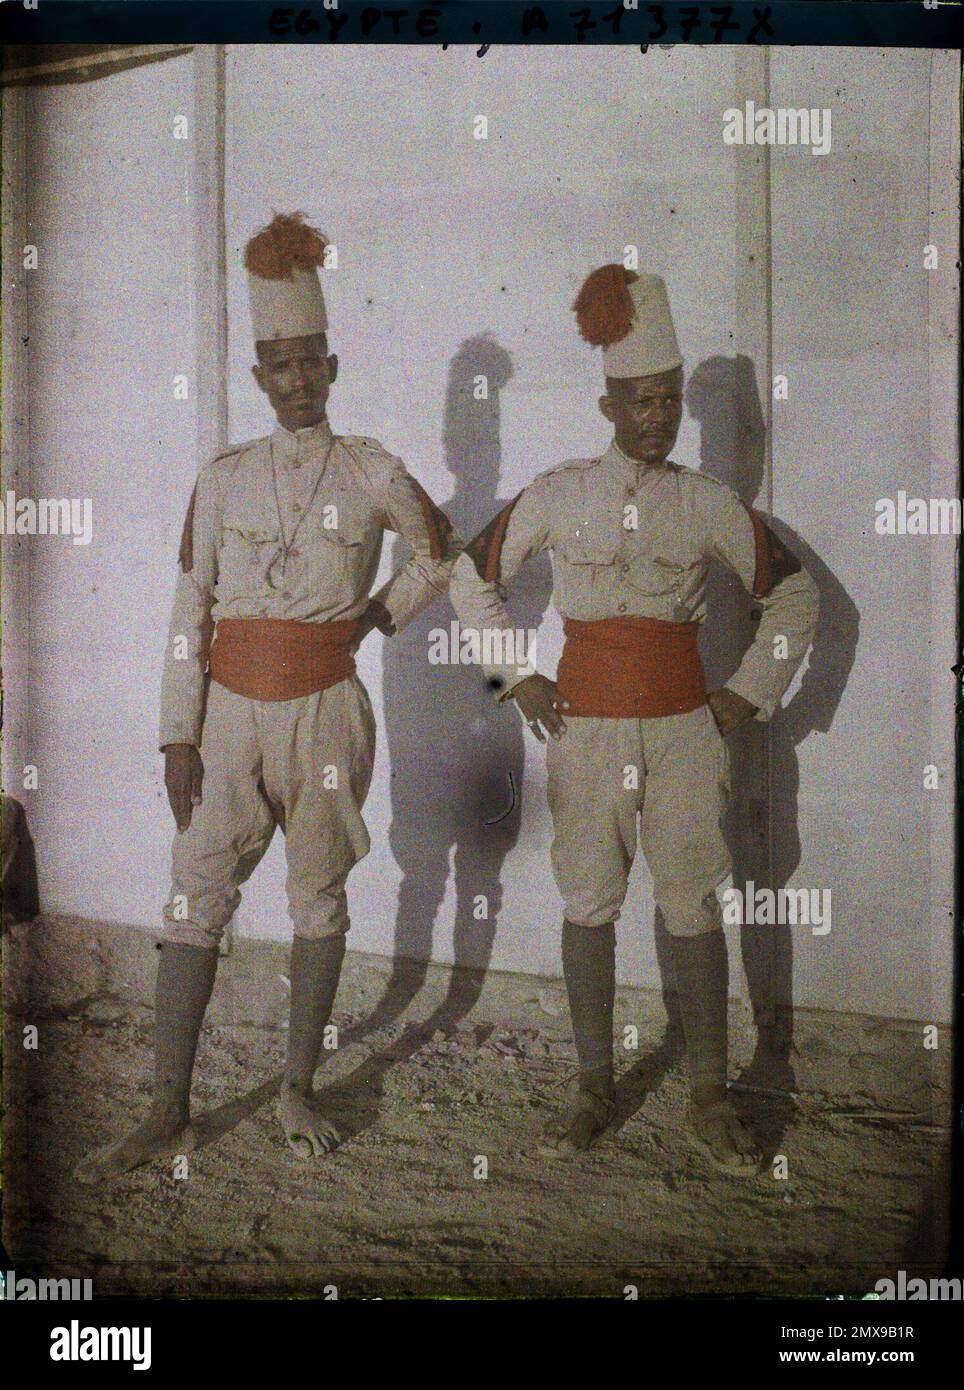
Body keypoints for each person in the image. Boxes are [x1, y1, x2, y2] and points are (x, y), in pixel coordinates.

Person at [77, 212, 461, 1179]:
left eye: (310, 362)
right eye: (279, 365)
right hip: (229, 714)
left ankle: (297, 1084)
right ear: (261, 377)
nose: (297, 380)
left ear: (332, 365)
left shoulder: (372, 465)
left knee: (317, 897)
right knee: (194, 897)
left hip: (327, 711)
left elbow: (438, 550)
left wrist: (380, 614)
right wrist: (177, 734)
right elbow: (189, 605)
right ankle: (169, 1111)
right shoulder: (223, 479)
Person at [449, 263, 819, 1171]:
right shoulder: (559, 491)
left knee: (693, 900)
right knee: (590, 902)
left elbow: (797, 597)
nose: (657, 417)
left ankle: (706, 1094)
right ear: (609, 403)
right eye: (640, 402)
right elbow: (471, 579)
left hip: (687, 731)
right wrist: (516, 677)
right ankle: (592, 1086)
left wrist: (743, 693)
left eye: (668, 401)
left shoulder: (709, 504)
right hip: (585, 730)